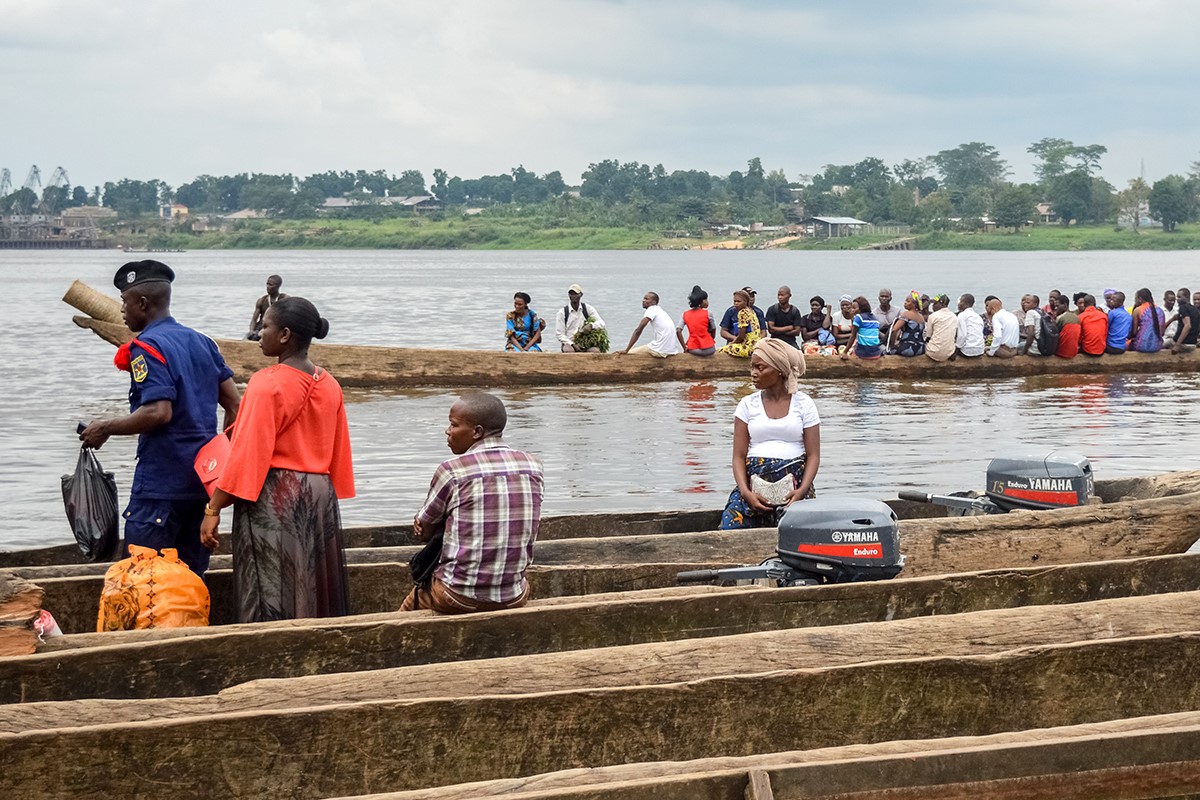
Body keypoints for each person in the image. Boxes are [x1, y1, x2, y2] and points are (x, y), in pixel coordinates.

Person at [79, 260, 241, 576]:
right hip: (201, 487)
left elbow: (158, 411)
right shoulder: (202, 341)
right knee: (190, 580)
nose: (122, 310)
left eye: (125, 302)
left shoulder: (147, 347)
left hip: (160, 488)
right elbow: (235, 405)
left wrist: (105, 427)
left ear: (142, 303)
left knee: (142, 579)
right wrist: (222, 468)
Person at [199, 297, 354, 623]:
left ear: (284, 335)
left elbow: (246, 455)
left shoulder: (266, 383)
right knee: (309, 579)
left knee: (268, 581)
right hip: (319, 494)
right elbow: (337, 452)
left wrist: (212, 509)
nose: (258, 333)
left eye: (265, 326)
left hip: (277, 494)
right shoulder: (330, 384)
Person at [403, 392, 543, 614]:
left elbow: (425, 530)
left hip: (456, 595)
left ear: (477, 432)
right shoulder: (533, 465)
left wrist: (427, 523)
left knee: (410, 607)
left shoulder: (452, 470)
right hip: (514, 594)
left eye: (453, 425)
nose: (447, 431)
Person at [719, 339, 819, 530]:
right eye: (752, 367)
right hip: (753, 488)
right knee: (730, 526)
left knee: (807, 532)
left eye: (760, 367)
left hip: (795, 489)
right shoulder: (747, 405)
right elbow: (738, 457)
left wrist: (801, 491)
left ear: (779, 370)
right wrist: (746, 492)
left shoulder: (804, 404)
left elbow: (813, 456)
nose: (753, 373)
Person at [620, 291, 681, 357]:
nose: (643, 301)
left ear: (654, 302)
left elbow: (638, 330)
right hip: (671, 350)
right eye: (643, 298)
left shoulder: (651, 309)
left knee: (627, 355)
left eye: (646, 299)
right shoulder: (660, 310)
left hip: (659, 349)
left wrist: (626, 350)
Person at [554, 283, 606, 353]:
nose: (573, 296)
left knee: (595, 351)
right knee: (569, 350)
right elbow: (560, 334)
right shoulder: (562, 313)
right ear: (569, 296)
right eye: (571, 294)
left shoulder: (587, 309)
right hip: (569, 344)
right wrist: (573, 344)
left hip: (584, 344)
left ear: (581, 295)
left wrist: (591, 325)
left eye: (576, 294)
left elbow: (602, 324)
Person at [716, 289, 762, 357]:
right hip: (755, 346)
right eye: (735, 301)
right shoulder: (751, 311)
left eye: (739, 301)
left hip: (748, 348)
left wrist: (731, 344)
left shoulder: (742, 313)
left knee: (720, 350)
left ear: (745, 302)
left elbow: (741, 336)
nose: (736, 303)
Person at [676, 285, 717, 356]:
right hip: (709, 349)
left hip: (693, 349)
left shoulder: (685, 314)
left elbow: (678, 331)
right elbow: (713, 328)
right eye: (706, 300)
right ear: (700, 301)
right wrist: (711, 339)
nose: (707, 302)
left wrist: (684, 348)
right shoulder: (708, 313)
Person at [246, 274, 286, 341]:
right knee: (249, 338)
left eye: (271, 285)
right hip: (260, 330)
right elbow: (254, 319)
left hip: (274, 330)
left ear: (278, 286)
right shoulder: (261, 300)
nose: (268, 287)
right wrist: (251, 330)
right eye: (267, 284)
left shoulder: (284, 299)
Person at [889, 291, 926, 357]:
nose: (905, 303)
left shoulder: (906, 314)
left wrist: (892, 345)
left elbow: (894, 330)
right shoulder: (921, 317)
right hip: (921, 349)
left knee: (885, 352)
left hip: (908, 349)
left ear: (914, 304)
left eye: (908, 301)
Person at [1129, 288, 1164, 353]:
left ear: (1140, 299)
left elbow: (1134, 332)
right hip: (1157, 346)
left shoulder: (1138, 310)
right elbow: (1161, 332)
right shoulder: (1160, 310)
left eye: (1135, 298)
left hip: (1141, 346)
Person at [924, 294, 957, 362]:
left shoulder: (933, 316)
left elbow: (928, 336)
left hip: (933, 352)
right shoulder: (954, 316)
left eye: (935, 303)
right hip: (949, 353)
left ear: (940, 304)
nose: (932, 306)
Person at [1169, 286, 1200, 353]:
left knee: (1165, 342)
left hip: (1184, 344)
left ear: (1186, 297)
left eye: (1179, 297)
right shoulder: (1195, 309)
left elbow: (1187, 326)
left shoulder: (1183, 308)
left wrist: (1177, 345)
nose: (1177, 299)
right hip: (1193, 344)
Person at [955, 294, 985, 358]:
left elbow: (962, 335)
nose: (958, 304)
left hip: (967, 351)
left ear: (967, 304)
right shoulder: (977, 316)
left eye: (960, 302)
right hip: (980, 350)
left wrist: (956, 349)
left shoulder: (962, 315)